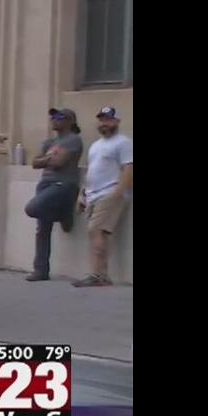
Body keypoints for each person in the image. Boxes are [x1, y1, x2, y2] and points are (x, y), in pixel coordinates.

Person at [74, 107, 133, 288]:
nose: (104, 123)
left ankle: (98, 275)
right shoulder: (96, 145)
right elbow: (92, 172)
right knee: (97, 233)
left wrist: (118, 193)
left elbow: (129, 168)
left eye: (108, 120)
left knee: (96, 229)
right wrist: (82, 194)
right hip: (93, 194)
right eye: (101, 120)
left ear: (116, 122)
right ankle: (101, 274)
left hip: (110, 193)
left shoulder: (123, 143)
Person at [24, 108, 84, 282]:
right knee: (42, 228)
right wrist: (47, 160)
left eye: (58, 117)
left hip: (64, 184)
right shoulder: (48, 142)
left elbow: (59, 162)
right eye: (52, 117)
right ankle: (41, 270)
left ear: (70, 121)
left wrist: (47, 160)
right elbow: (34, 163)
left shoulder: (74, 140)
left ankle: (64, 212)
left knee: (32, 208)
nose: (53, 119)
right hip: (45, 184)